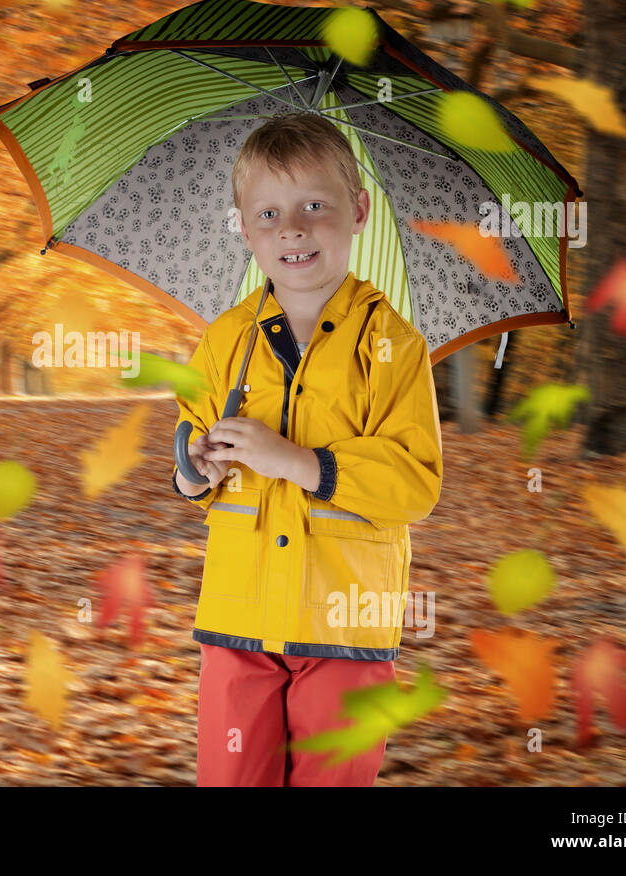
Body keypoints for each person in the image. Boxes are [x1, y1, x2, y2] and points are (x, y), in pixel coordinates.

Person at [171, 112, 444, 786]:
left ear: (358, 211)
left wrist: (298, 462)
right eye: (268, 212)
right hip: (240, 620)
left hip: (345, 626)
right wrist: (196, 467)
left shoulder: (394, 346)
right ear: (242, 225)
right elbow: (190, 441)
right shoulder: (224, 341)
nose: (291, 228)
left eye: (314, 206)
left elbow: (415, 484)